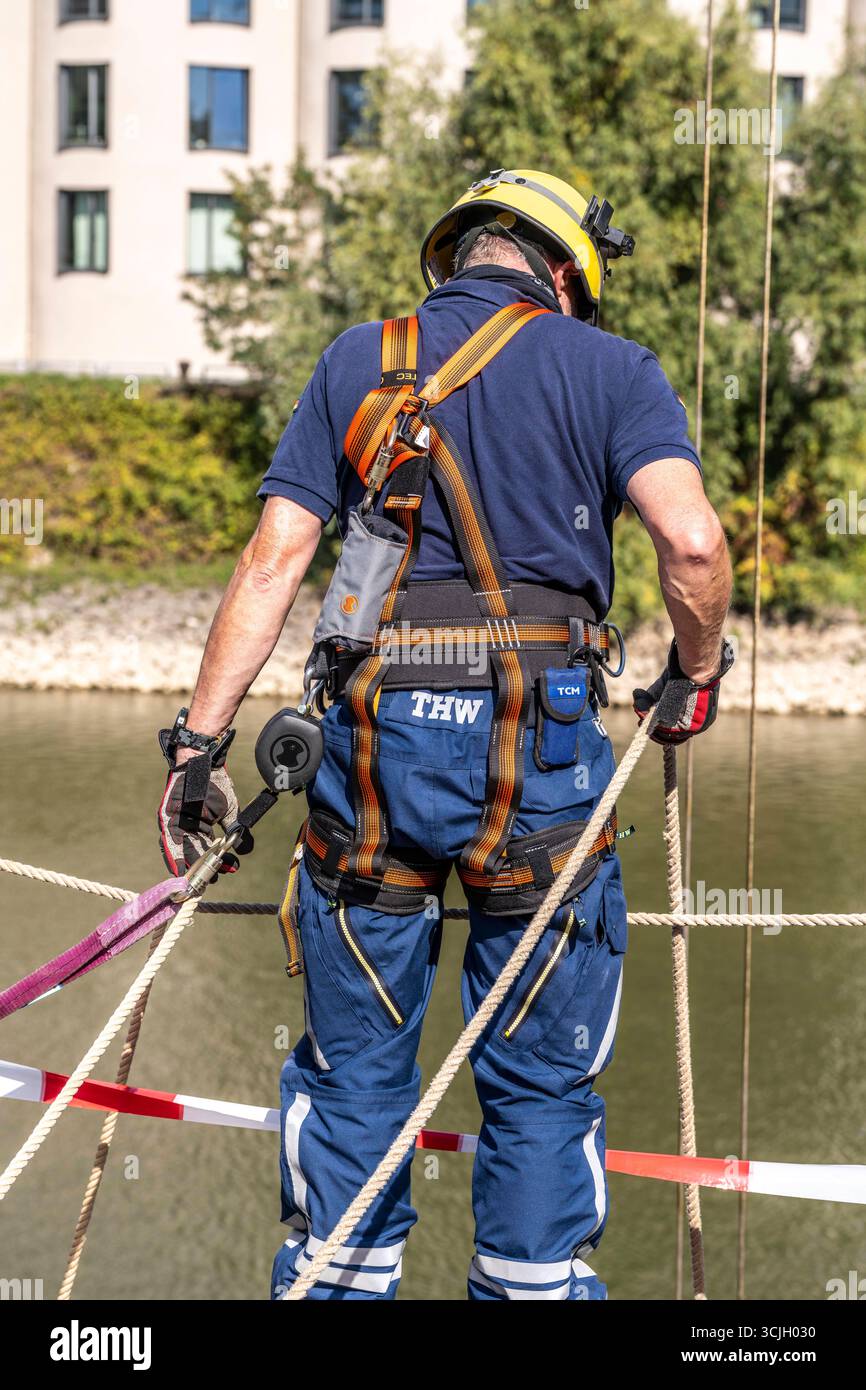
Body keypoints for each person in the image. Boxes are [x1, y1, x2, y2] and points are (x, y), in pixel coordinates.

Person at [157, 169, 733, 1301]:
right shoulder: (614, 370)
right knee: (537, 1088)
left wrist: (195, 750)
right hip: (541, 763)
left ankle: (334, 1280)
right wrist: (696, 673)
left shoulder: (359, 360)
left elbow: (273, 563)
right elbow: (694, 546)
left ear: (459, 255)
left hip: (372, 761)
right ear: (566, 274)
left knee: (356, 1075)